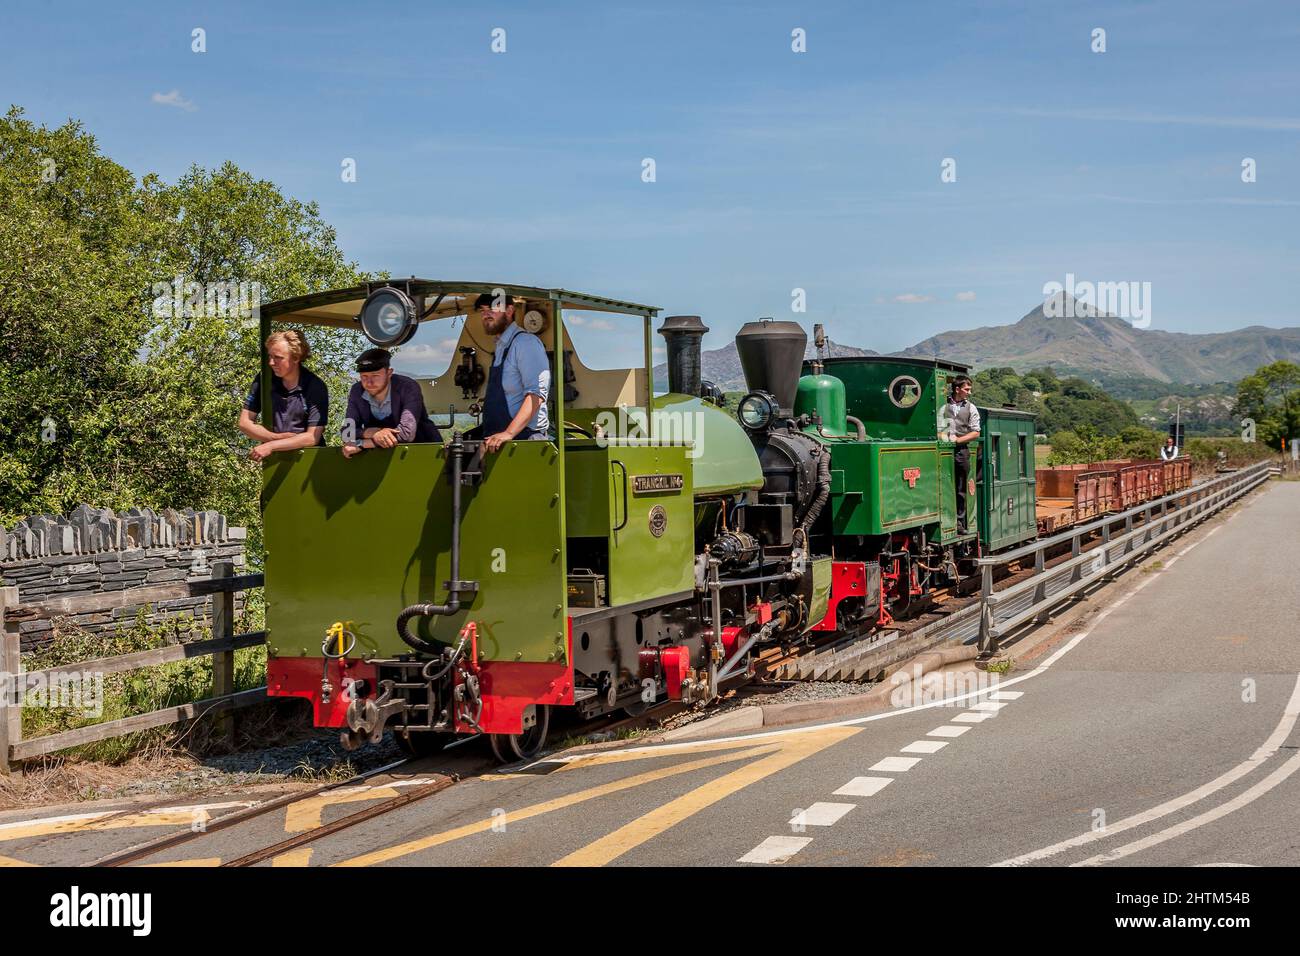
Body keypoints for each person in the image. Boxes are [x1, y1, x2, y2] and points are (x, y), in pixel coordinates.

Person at [473, 291, 551, 452]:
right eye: (483, 310)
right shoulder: (501, 347)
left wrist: (509, 433)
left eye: (492, 309)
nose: (486, 315)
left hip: (525, 440)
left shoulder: (525, 343)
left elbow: (536, 395)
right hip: (497, 440)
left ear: (509, 311)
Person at [238, 330, 328, 461]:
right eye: (270, 356)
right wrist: (274, 438)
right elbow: (244, 422)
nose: (271, 363)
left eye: (278, 358)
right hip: (275, 459)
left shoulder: (314, 386)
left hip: (308, 460)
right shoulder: (265, 379)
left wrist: (271, 446)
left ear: (296, 358)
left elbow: (312, 437)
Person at [341, 348, 441, 458]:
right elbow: (347, 432)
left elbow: (406, 434)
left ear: (389, 373)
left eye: (375, 375)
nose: (369, 382)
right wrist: (373, 433)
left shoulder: (408, 387)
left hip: (424, 453)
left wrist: (361, 444)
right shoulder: (356, 391)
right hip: (381, 457)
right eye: (364, 376)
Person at [942, 375, 982, 532]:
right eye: (967, 389)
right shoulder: (942, 405)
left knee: (961, 488)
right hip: (942, 448)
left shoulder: (971, 408)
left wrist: (958, 440)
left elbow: (975, 432)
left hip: (961, 450)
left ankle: (960, 521)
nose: (969, 392)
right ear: (957, 389)